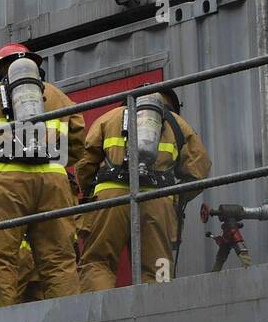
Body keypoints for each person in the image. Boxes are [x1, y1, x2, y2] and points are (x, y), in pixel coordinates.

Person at [0, 44, 84, 308]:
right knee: (59, 260)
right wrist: (54, 161)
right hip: (54, 182)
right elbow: (77, 142)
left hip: (7, 181)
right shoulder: (57, 95)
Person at [76, 87, 210, 290]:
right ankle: (158, 316)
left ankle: (102, 318)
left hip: (111, 197)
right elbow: (199, 169)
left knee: (98, 262)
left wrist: (91, 192)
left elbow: (85, 163)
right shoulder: (178, 124)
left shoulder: (109, 118)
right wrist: (176, 198)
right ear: (170, 104)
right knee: (158, 267)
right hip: (157, 199)